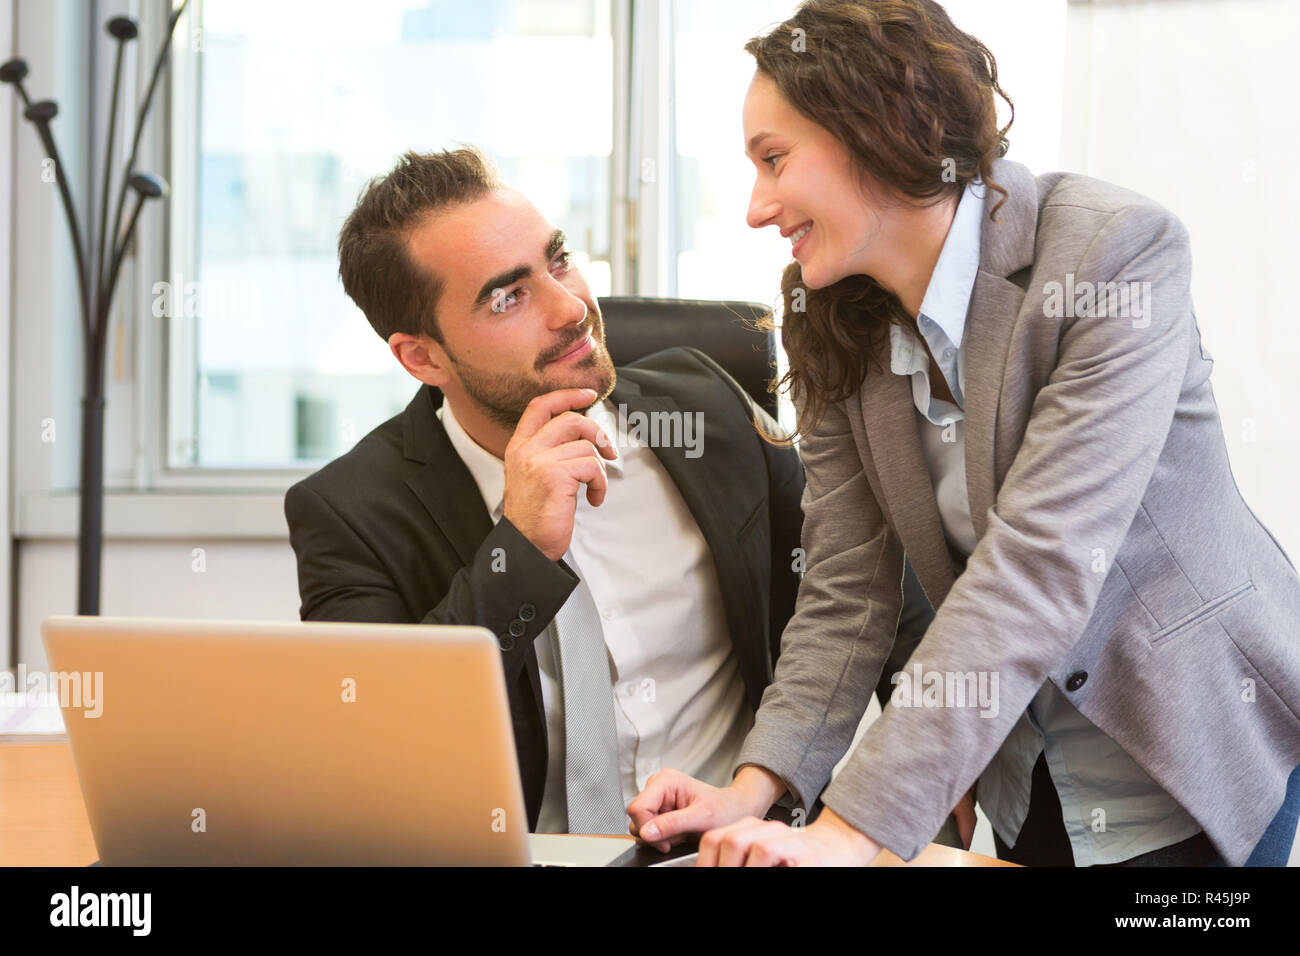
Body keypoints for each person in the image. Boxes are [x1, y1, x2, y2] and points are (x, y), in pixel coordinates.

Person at [628, 0, 1300, 866]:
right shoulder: (827, 311)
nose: (759, 208)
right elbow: (846, 589)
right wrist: (755, 787)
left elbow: (1040, 566)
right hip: (1028, 776)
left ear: (875, 128)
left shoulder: (1110, 255)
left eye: (774, 160)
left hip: (1186, 762)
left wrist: (853, 832)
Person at [283, 147, 957, 839]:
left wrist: (932, 812)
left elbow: (876, 597)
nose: (571, 306)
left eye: (560, 259)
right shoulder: (349, 512)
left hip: (742, 846)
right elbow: (373, 747)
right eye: (509, 296)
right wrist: (519, 551)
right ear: (421, 357)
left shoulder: (702, 412)